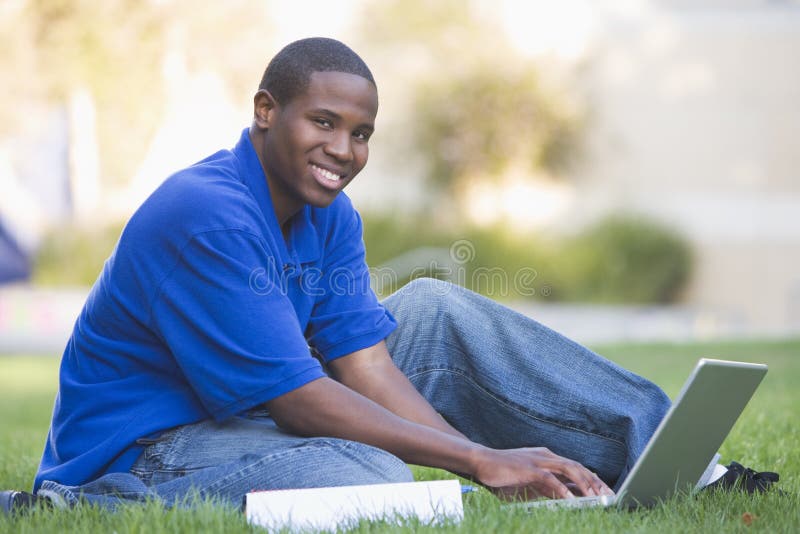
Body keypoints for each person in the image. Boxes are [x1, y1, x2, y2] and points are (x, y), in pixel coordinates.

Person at [1, 38, 779, 514]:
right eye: (325, 122)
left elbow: (365, 364)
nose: (344, 150)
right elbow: (300, 401)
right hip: (147, 445)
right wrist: (477, 459)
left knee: (433, 309)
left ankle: (681, 463)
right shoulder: (205, 214)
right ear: (266, 110)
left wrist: (482, 467)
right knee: (377, 482)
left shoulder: (329, 213)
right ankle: (80, 501)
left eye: (363, 133)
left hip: (243, 416)